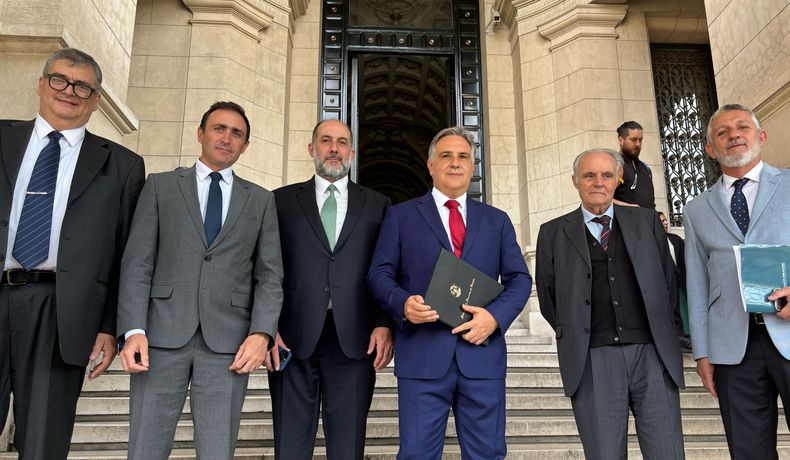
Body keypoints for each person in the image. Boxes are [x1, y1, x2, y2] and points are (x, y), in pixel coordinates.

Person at [116, 101, 283, 460]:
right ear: (200, 133)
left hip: (228, 344)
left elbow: (270, 276)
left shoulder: (260, 200)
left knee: (217, 451)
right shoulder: (160, 186)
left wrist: (262, 333)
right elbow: (137, 264)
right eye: (219, 129)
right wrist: (132, 330)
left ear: (245, 145)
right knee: (145, 447)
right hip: (159, 337)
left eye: (237, 133)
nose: (227, 138)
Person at [0, 47, 145, 459]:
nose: (70, 91)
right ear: (42, 84)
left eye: (83, 86)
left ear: (96, 100)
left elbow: (125, 255)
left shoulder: (123, 166)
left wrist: (110, 325)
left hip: (62, 311)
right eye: (60, 80)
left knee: (44, 438)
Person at [367, 126, 532, 459]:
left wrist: (494, 318)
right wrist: (402, 304)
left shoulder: (497, 221)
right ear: (430, 166)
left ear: (473, 167)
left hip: (482, 357)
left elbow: (520, 279)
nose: (455, 163)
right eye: (446, 156)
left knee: (487, 454)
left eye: (463, 157)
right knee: (416, 455)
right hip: (422, 357)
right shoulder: (400, 217)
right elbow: (379, 273)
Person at [536, 149, 685, 459]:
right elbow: (550, 298)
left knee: (667, 453)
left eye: (606, 175)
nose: (598, 182)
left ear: (617, 179)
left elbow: (667, 282)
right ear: (575, 181)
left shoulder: (646, 221)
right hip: (593, 359)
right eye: (589, 175)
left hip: (652, 355)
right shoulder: (552, 233)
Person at [265, 119, 394, 459]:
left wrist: (384, 323)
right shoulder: (279, 201)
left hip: (355, 340)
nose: (334, 148)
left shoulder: (379, 204)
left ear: (352, 151)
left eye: (342, 142)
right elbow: (266, 268)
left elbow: (388, 268)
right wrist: (265, 328)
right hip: (290, 340)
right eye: (326, 140)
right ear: (312, 149)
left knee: (348, 448)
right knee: (290, 448)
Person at [684, 103, 790, 459]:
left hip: (788, 332)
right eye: (722, 132)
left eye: (742, 127)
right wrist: (702, 352)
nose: (734, 135)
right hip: (732, 349)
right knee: (748, 453)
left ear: (760, 137)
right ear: (711, 149)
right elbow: (696, 283)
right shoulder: (696, 209)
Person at [658, 210, 691, 350]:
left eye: (665, 220)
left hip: (679, 281)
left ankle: (684, 333)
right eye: (661, 221)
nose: (665, 223)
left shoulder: (675, 239)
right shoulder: (653, 241)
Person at [614, 121, 655, 208]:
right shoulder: (614, 165)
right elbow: (602, 199)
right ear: (621, 140)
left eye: (640, 140)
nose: (638, 144)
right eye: (634, 139)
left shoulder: (646, 169)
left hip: (648, 221)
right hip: (623, 220)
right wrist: (631, 208)